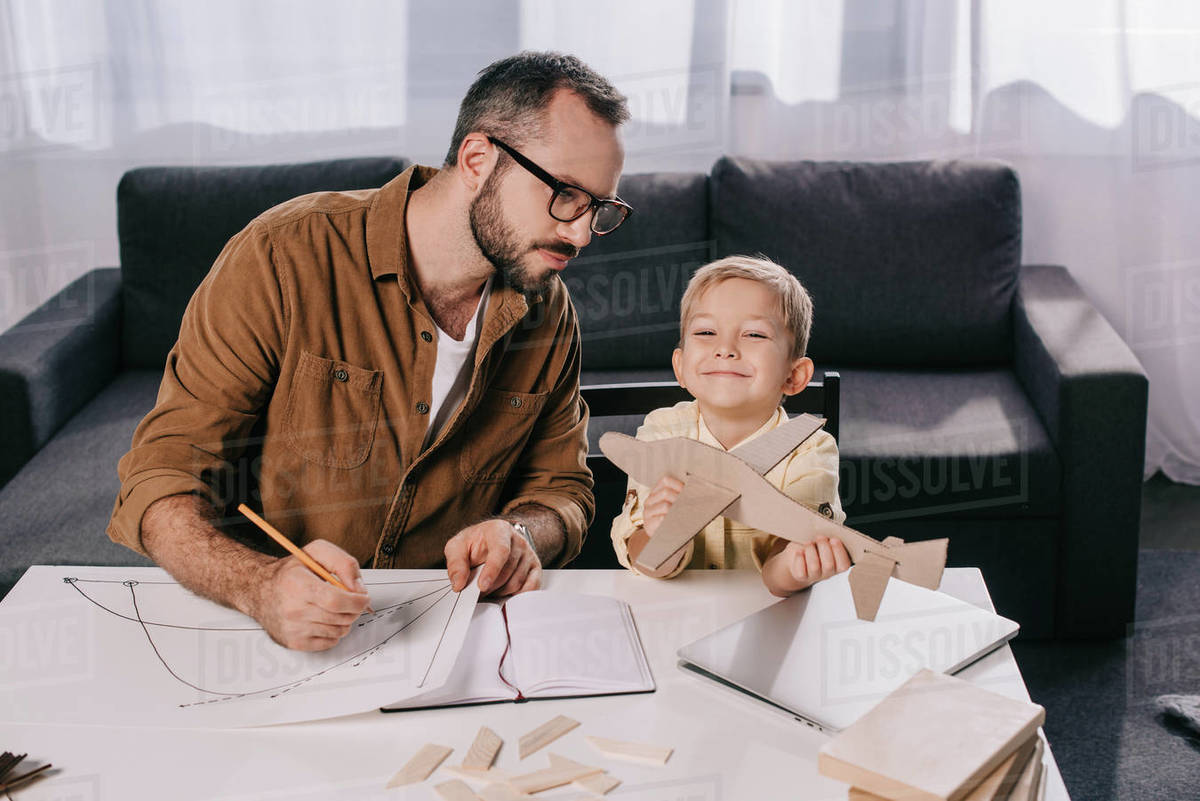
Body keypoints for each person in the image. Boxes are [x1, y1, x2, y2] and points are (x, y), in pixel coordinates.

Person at [106, 52, 633, 651]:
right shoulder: (283, 256)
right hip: (268, 636)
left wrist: (520, 533)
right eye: (566, 194)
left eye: (602, 207)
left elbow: (563, 488)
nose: (582, 232)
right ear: (478, 160)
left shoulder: (547, 309)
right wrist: (259, 585)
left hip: (445, 639)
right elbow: (163, 477)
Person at [609, 256, 851, 596]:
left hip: (767, 619)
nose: (724, 349)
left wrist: (796, 568)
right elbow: (645, 559)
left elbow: (780, 570)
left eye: (754, 334)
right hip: (672, 614)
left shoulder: (810, 448)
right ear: (680, 367)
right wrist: (665, 536)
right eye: (706, 332)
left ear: (794, 376)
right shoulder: (662, 433)